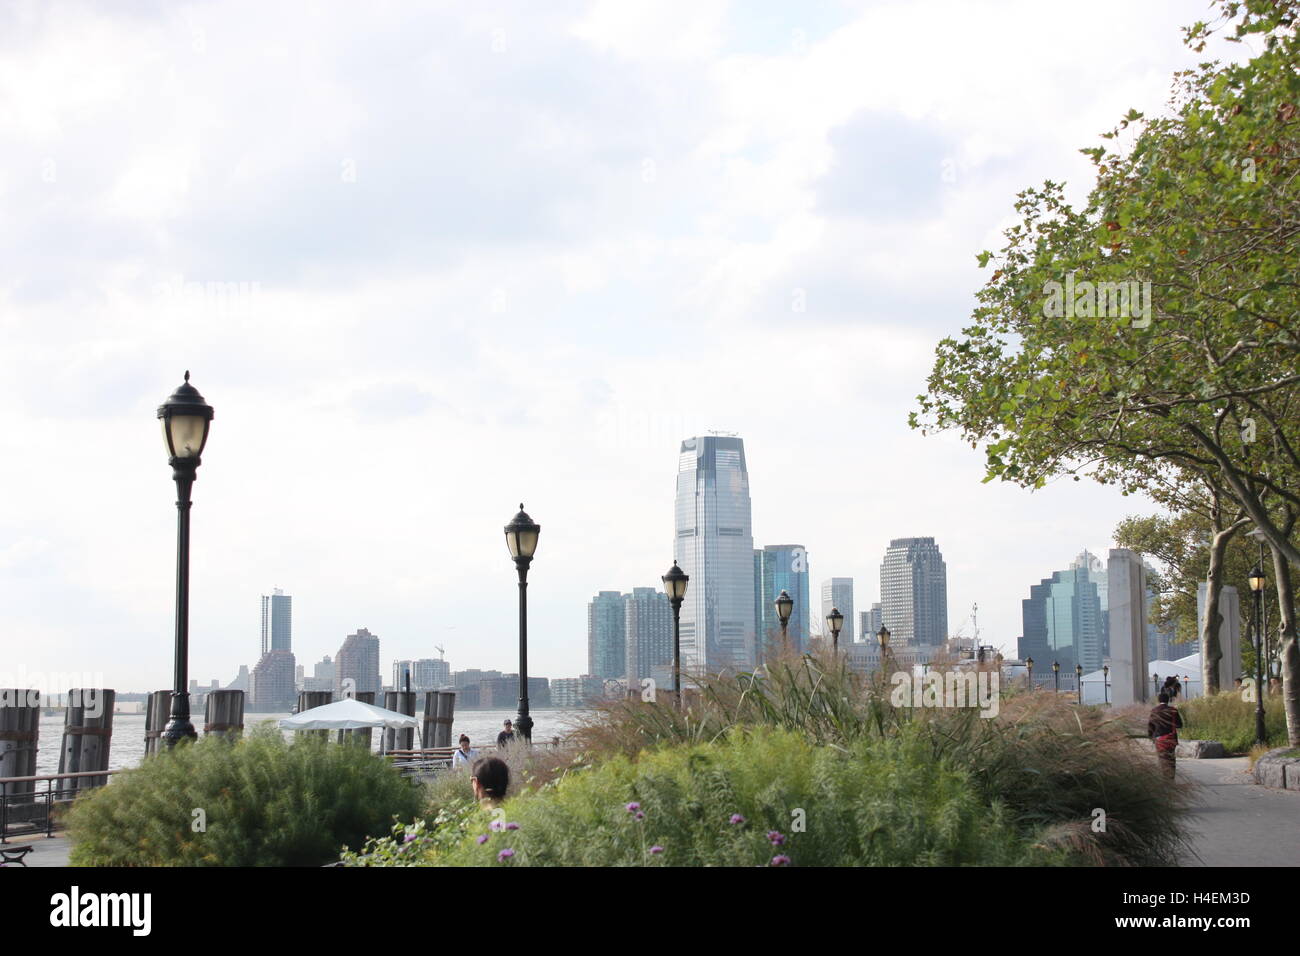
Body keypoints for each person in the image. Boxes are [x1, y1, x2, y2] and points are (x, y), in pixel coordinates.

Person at [1147, 692, 1184, 779]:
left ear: (1159, 700)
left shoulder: (1154, 710)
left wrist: (1150, 736)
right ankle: (1171, 778)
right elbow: (1179, 725)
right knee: (1171, 758)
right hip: (1171, 738)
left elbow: (1150, 725)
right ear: (1168, 700)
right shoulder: (1173, 710)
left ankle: (1165, 777)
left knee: (1162, 758)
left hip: (1159, 739)